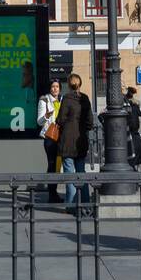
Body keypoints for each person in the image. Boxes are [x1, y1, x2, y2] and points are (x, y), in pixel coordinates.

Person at [57, 74, 93, 209]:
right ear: (80, 84)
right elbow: (90, 121)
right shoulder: (85, 99)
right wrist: (83, 128)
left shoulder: (66, 98)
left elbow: (60, 119)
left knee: (69, 174)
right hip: (81, 140)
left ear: (69, 84)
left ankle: (71, 205)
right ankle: (85, 204)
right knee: (81, 172)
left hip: (67, 140)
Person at [37, 79, 62, 203]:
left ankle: (54, 191)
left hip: (61, 137)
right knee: (52, 164)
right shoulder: (44, 100)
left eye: (57, 87)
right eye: (52, 87)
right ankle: (52, 193)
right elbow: (39, 121)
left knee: (58, 165)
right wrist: (47, 115)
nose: (55, 89)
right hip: (50, 137)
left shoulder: (62, 100)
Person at [124, 86, 141, 169]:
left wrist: (137, 104)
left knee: (137, 149)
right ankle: (133, 167)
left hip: (134, 130)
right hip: (130, 130)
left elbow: (139, 113)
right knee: (133, 150)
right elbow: (138, 114)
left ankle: (135, 167)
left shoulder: (134, 103)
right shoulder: (126, 102)